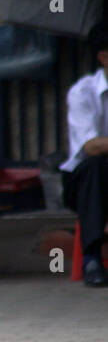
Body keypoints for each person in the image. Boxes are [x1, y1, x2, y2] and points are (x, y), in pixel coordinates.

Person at [62, 20, 108, 286]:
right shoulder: (82, 92)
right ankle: (91, 258)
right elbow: (90, 145)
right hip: (83, 184)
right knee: (94, 164)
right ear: (103, 57)